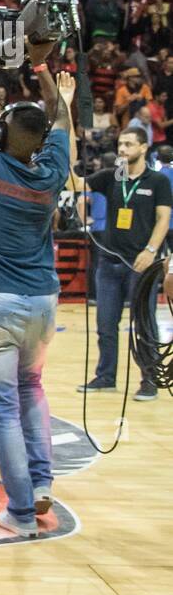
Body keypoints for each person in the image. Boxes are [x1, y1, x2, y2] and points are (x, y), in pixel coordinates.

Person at [0, 14, 73, 538]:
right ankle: (43, 482)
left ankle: (22, 512)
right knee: (34, 389)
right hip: (44, 304)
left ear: (0, 133)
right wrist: (47, 74)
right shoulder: (50, 173)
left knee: (2, 408)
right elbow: (63, 127)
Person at [79, 125, 170, 401]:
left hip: (142, 263)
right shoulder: (113, 176)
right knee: (105, 324)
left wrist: (151, 250)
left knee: (144, 324)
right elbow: (77, 185)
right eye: (120, 144)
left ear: (143, 148)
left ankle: (149, 381)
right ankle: (105, 377)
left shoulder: (157, 180)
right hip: (109, 262)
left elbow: (163, 218)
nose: (121, 149)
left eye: (128, 144)